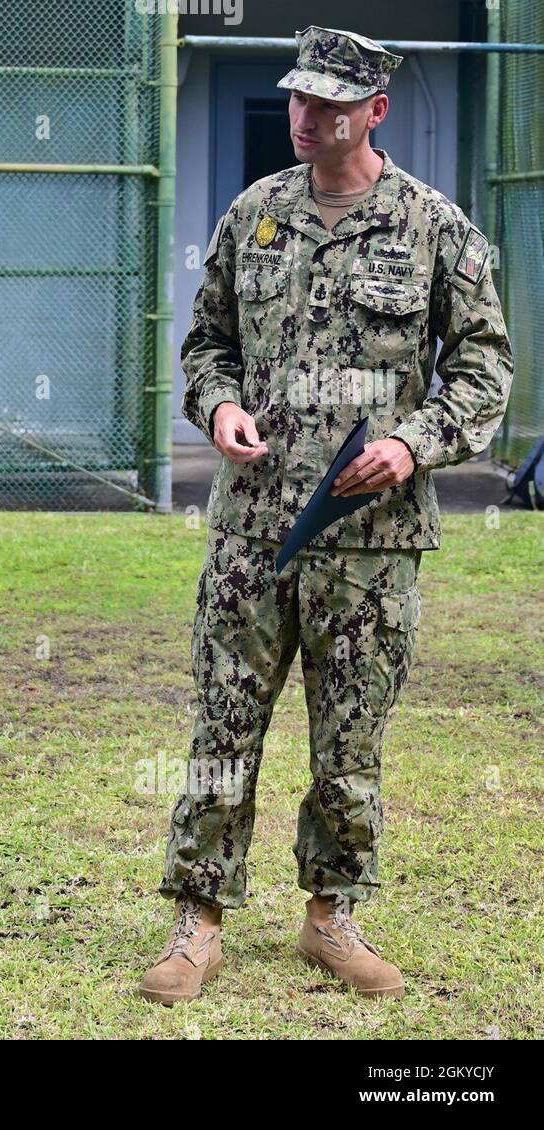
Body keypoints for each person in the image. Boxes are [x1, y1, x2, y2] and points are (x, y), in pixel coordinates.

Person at [141, 26, 513, 1005]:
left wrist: (415, 442)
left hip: (370, 538)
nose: (306, 117)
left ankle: (329, 916)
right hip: (252, 527)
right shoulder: (252, 214)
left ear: (375, 112)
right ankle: (198, 916)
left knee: (349, 740)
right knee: (224, 724)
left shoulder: (434, 228)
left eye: (330, 105)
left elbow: (483, 372)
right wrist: (216, 406)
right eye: (298, 99)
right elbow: (206, 341)